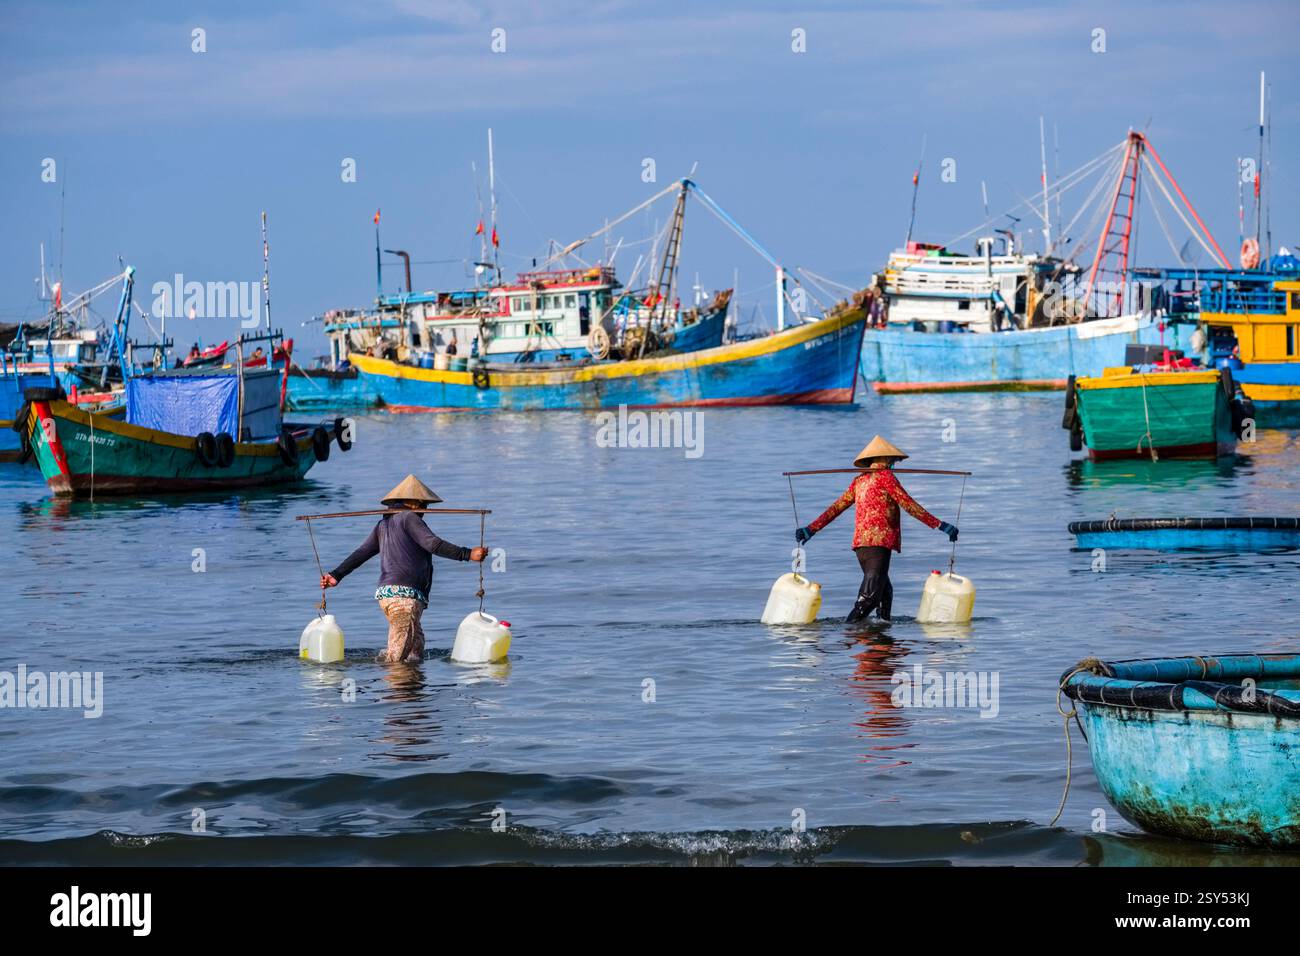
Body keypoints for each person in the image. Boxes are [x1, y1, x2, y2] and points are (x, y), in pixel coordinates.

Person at [320, 475, 487, 663]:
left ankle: (410, 689)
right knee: (398, 657)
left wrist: (336, 575)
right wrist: (467, 554)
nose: (425, 510)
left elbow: (362, 553)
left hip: (389, 595)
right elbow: (433, 544)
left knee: (414, 652)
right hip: (403, 597)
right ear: (414, 503)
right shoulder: (409, 518)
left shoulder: (383, 524)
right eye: (424, 504)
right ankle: (394, 689)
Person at [795, 436, 958, 624]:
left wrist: (810, 529)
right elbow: (909, 505)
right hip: (878, 545)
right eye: (892, 460)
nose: (894, 464)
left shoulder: (859, 481)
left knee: (885, 593)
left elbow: (836, 508)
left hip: (862, 547)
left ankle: (881, 634)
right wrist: (940, 525)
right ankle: (849, 633)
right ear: (884, 460)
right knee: (870, 597)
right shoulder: (886, 477)